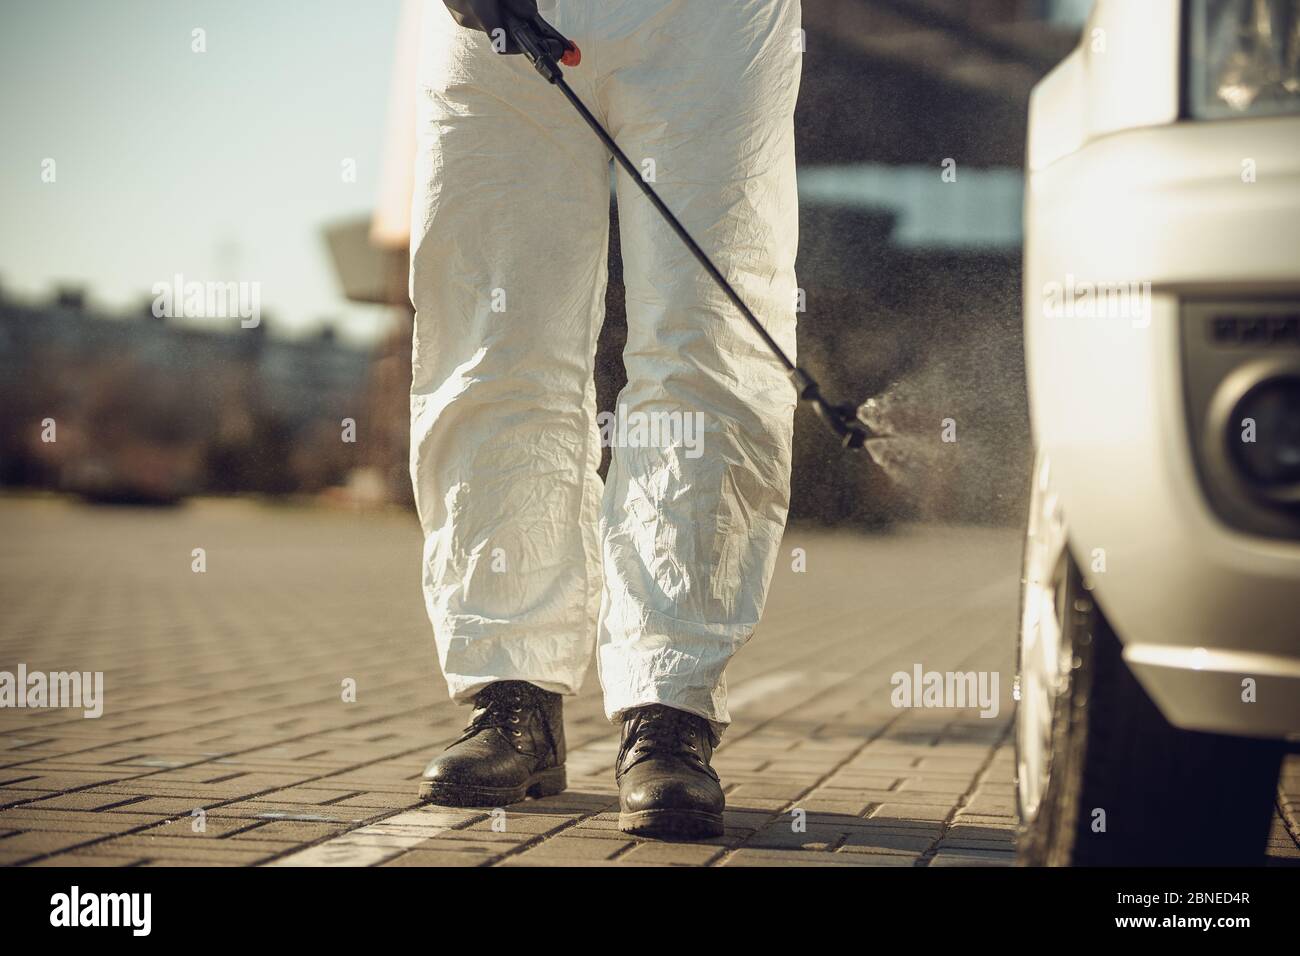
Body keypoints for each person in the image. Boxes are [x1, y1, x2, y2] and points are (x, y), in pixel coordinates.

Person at [410, 0, 802, 838]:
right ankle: (510, 693)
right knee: (494, 340)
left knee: (708, 348)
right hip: (494, 27)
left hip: (711, 23)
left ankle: (670, 705)